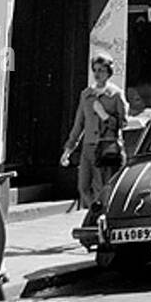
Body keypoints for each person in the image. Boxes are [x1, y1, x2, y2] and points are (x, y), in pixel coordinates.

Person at [60, 53, 129, 215]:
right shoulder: (86, 95)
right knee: (83, 187)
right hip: (88, 147)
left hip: (106, 147)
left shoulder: (116, 94)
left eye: (102, 70)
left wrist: (104, 115)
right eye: (96, 70)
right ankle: (97, 214)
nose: (98, 74)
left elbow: (123, 123)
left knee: (102, 187)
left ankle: (101, 219)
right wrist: (68, 149)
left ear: (109, 72)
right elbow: (79, 124)